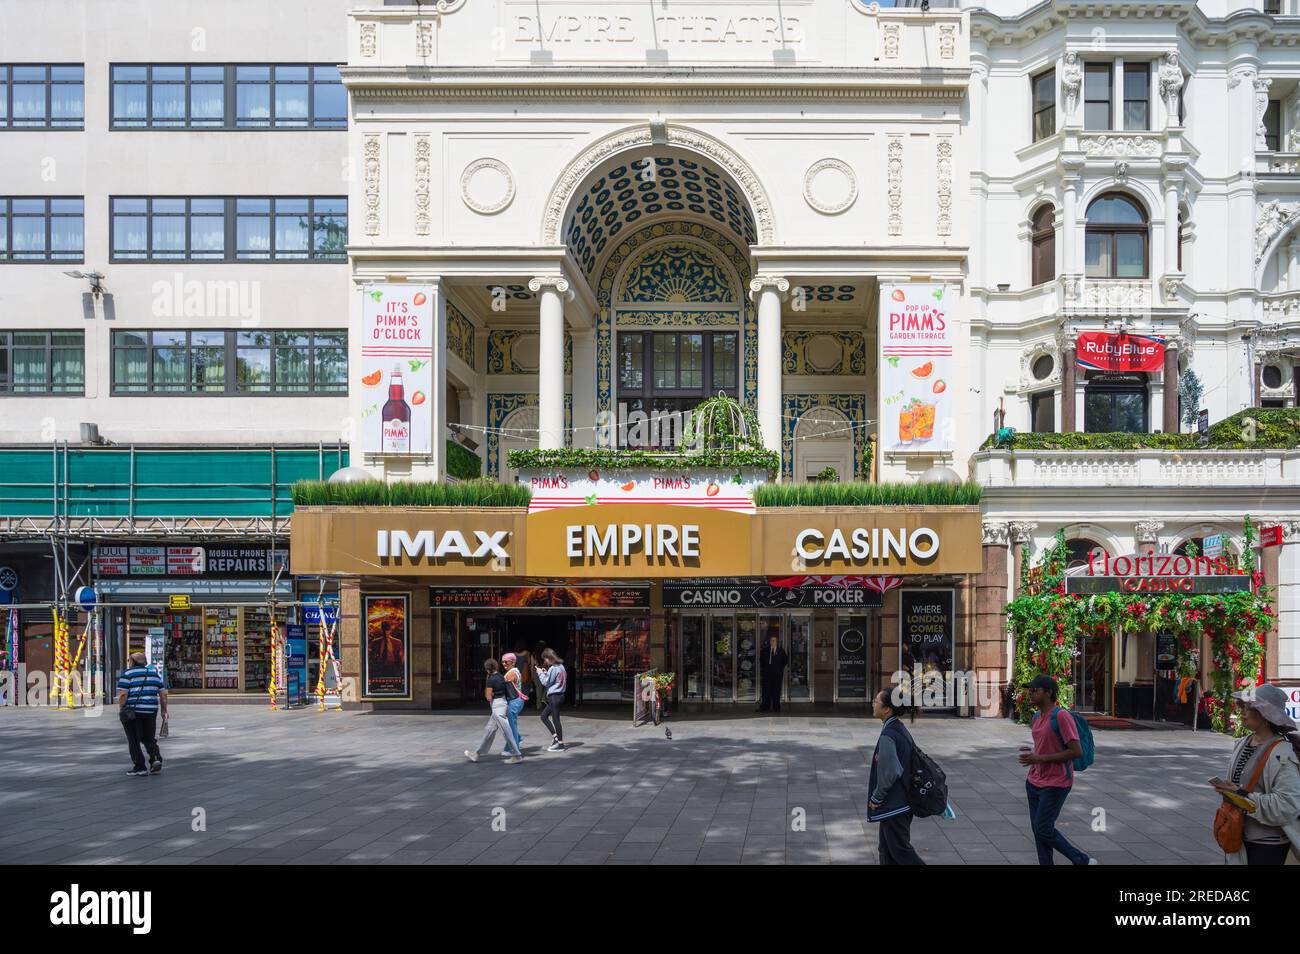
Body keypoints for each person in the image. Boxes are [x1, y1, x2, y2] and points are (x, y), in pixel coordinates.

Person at [1212, 683, 1300, 865]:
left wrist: (1240, 795)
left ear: (1266, 716)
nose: (1243, 711)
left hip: (1267, 845)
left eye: (1249, 707)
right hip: (1237, 838)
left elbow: (1287, 804)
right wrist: (1232, 791)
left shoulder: (1282, 753)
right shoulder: (1243, 743)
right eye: (1242, 706)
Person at [1018, 675, 1094, 866]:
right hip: (1034, 781)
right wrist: (1033, 755)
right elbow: (1047, 745)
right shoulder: (1036, 717)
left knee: (1043, 828)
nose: (1030, 694)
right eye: (1029, 690)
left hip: (1056, 783)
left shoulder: (1061, 716)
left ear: (1049, 692)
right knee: (1039, 831)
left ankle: (1081, 860)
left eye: (1035, 690)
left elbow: (1076, 751)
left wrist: (1040, 758)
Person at [867, 689, 924, 864]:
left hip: (895, 806)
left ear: (887, 709)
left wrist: (876, 798)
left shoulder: (889, 735)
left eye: (876, 701)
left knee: (900, 852)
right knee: (886, 850)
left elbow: (890, 772)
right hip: (899, 804)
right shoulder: (897, 727)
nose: (873, 704)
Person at [115, 651, 167, 777]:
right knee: (149, 737)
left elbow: (123, 695)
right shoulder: (154, 675)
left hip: (134, 712)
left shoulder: (127, 674)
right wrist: (164, 710)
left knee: (134, 740)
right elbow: (163, 694)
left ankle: (140, 767)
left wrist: (121, 709)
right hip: (151, 711)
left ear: (132, 661)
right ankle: (155, 759)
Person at [465, 659, 523, 764]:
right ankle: (476, 754)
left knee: (506, 731)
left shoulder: (490, 680)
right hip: (504, 704)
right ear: (496, 667)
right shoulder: (502, 677)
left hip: (497, 706)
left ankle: (517, 755)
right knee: (489, 730)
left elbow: (488, 696)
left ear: (487, 669)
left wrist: (490, 692)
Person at [535, 648, 567, 752]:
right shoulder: (561, 667)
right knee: (544, 716)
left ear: (549, 658)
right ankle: (556, 738)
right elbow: (553, 680)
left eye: (546, 659)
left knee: (556, 719)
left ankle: (560, 743)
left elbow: (545, 682)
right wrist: (545, 672)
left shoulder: (554, 668)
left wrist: (540, 673)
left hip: (554, 696)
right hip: (560, 695)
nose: (546, 662)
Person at [500, 652, 528, 754]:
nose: (504, 663)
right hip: (515, 701)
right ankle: (517, 739)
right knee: (511, 724)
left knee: (511, 725)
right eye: (502, 661)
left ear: (512, 662)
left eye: (506, 661)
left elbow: (507, 684)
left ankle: (512, 748)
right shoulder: (513, 671)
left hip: (514, 702)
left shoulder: (512, 672)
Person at [757, 633, 788, 713]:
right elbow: (761, 661)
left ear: (776, 642)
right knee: (766, 691)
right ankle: (765, 707)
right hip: (767, 674)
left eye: (774, 641)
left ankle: (776, 707)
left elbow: (785, 661)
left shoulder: (781, 651)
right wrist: (764, 670)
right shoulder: (765, 650)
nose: (772, 642)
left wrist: (779, 669)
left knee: (776, 691)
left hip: (777, 675)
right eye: (771, 640)